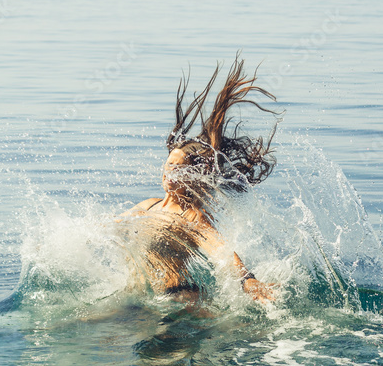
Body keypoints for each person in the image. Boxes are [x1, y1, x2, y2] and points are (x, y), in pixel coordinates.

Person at [120, 56, 280, 304]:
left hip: (177, 301)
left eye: (179, 167)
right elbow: (108, 229)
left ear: (194, 177)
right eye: (169, 164)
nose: (170, 171)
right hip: (139, 301)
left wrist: (248, 280)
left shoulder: (192, 217)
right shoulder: (147, 206)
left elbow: (222, 253)